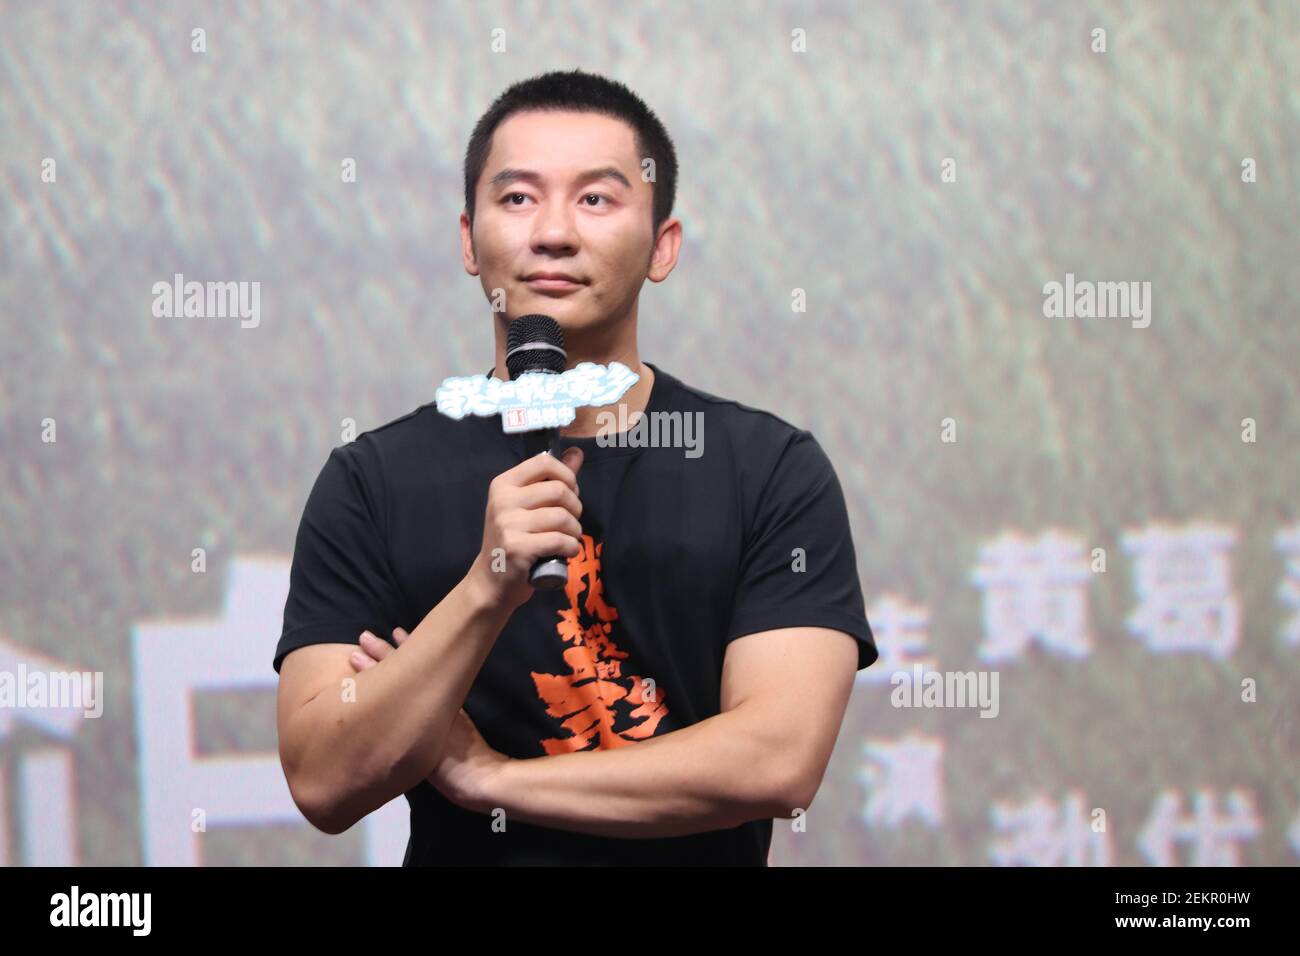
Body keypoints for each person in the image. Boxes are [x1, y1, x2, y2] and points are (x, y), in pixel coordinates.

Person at [274, 68, 877, 866]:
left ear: (663, 246)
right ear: (468, 240)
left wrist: (490, 779)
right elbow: (322, 779)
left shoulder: (767, 469)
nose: (552, 233)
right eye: (517, 198)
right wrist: (486, 587)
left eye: (596, 199)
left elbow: (777, 760)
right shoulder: (372, 482)